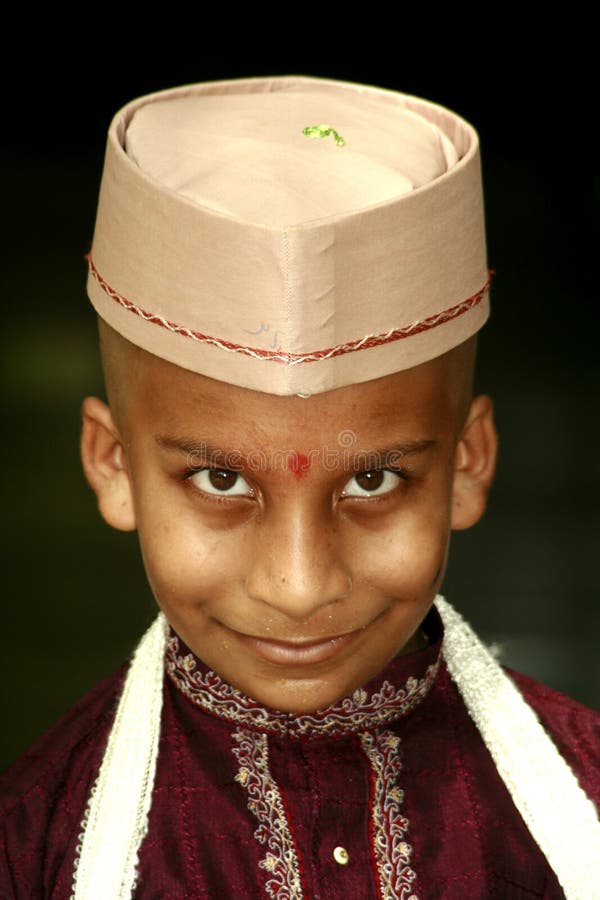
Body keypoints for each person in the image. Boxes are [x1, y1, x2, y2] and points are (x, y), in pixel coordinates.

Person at [0, 75, 598, 900]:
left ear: (466, 463)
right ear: (112, 465)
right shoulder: (33, 845)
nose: (299, 585)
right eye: (220, 478)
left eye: (374, 478)